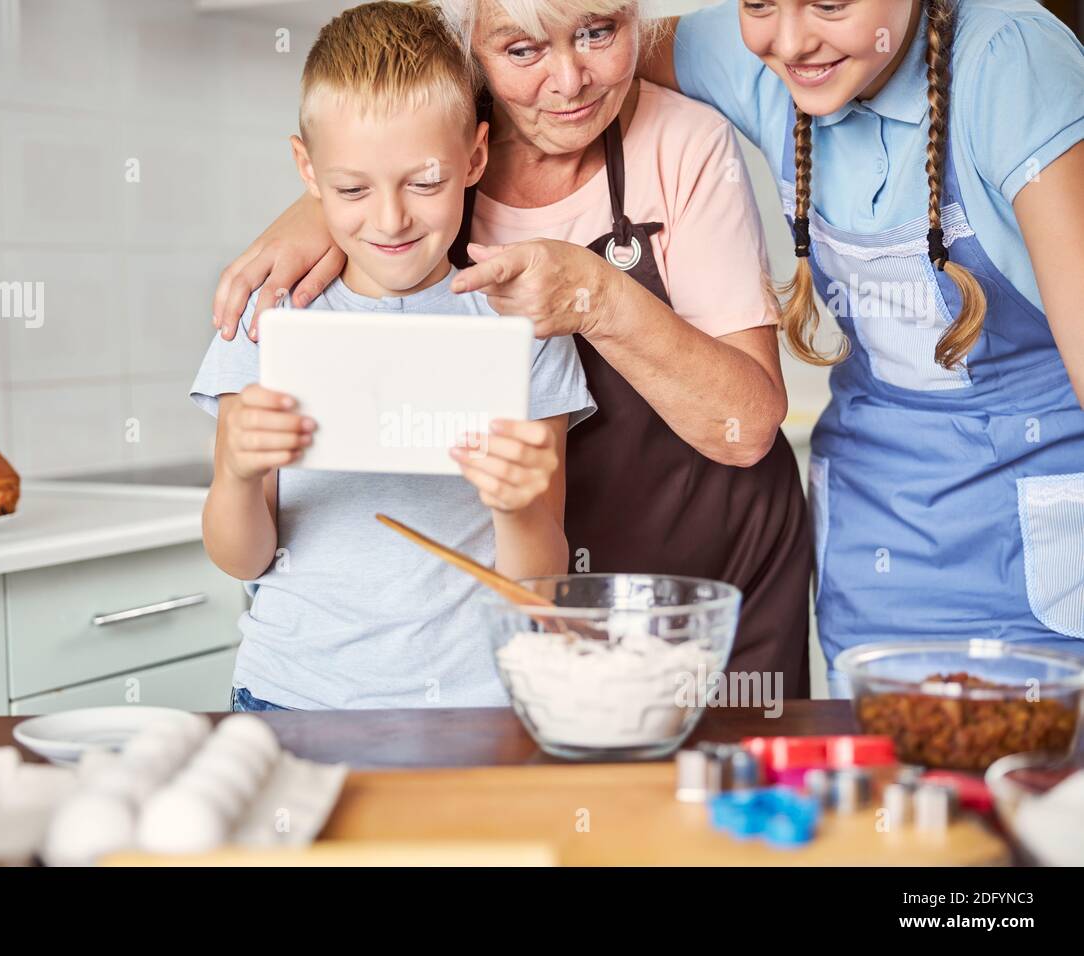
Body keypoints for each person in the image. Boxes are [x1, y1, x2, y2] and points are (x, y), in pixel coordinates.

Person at [212, 0, 815, 697]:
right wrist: (316, 209)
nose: (568, 81)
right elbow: (376, 173)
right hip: (514, 627)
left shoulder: (686, 144)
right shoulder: (429, 161)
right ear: (470, 44)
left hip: (697, 590)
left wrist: (596, 296)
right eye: (522, 50)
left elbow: (743, 430)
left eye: (598, 33)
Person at [640, 0, 1084, 690]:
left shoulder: (1011, 61)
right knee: (883, 795)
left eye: (830, 4)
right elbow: (581, 59)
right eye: (757, 4)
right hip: (873, 554)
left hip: (1043, 560)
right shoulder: (751, 53)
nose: (789, 43)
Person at [190, 1, 595, 711]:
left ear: (474, 157)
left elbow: (537, 583)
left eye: (426, 182)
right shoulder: (269, 325)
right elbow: (240, 557)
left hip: (476, 704)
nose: (390, 219)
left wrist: (516, 503)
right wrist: (235, 472)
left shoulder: (522, 326)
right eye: (352, 189)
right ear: (306, 171)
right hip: (291, 696)